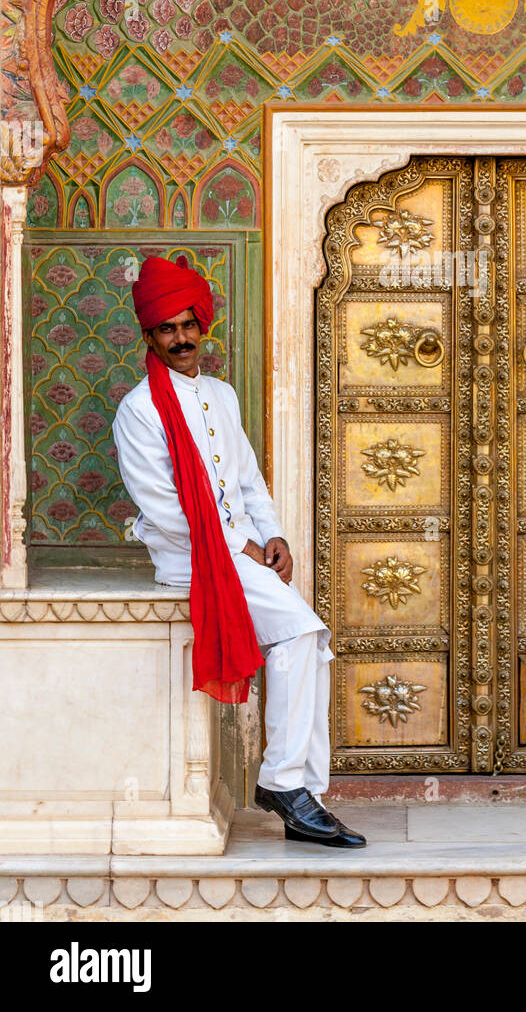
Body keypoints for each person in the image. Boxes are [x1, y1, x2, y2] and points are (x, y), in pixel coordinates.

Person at [112, 252, 365, 849]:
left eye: (187, 325)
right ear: (150, 335)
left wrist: (272, 535)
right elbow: (167, 513)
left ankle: (292, 786)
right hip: (194, 561)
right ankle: (286, 786)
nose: (180, 338)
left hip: (242, 556)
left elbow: (247, 481)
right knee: (303, 634)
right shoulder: (140, 410)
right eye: (167, 328)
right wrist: (247, 548)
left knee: (304, 639)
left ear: (202, 325)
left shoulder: (220, 395)